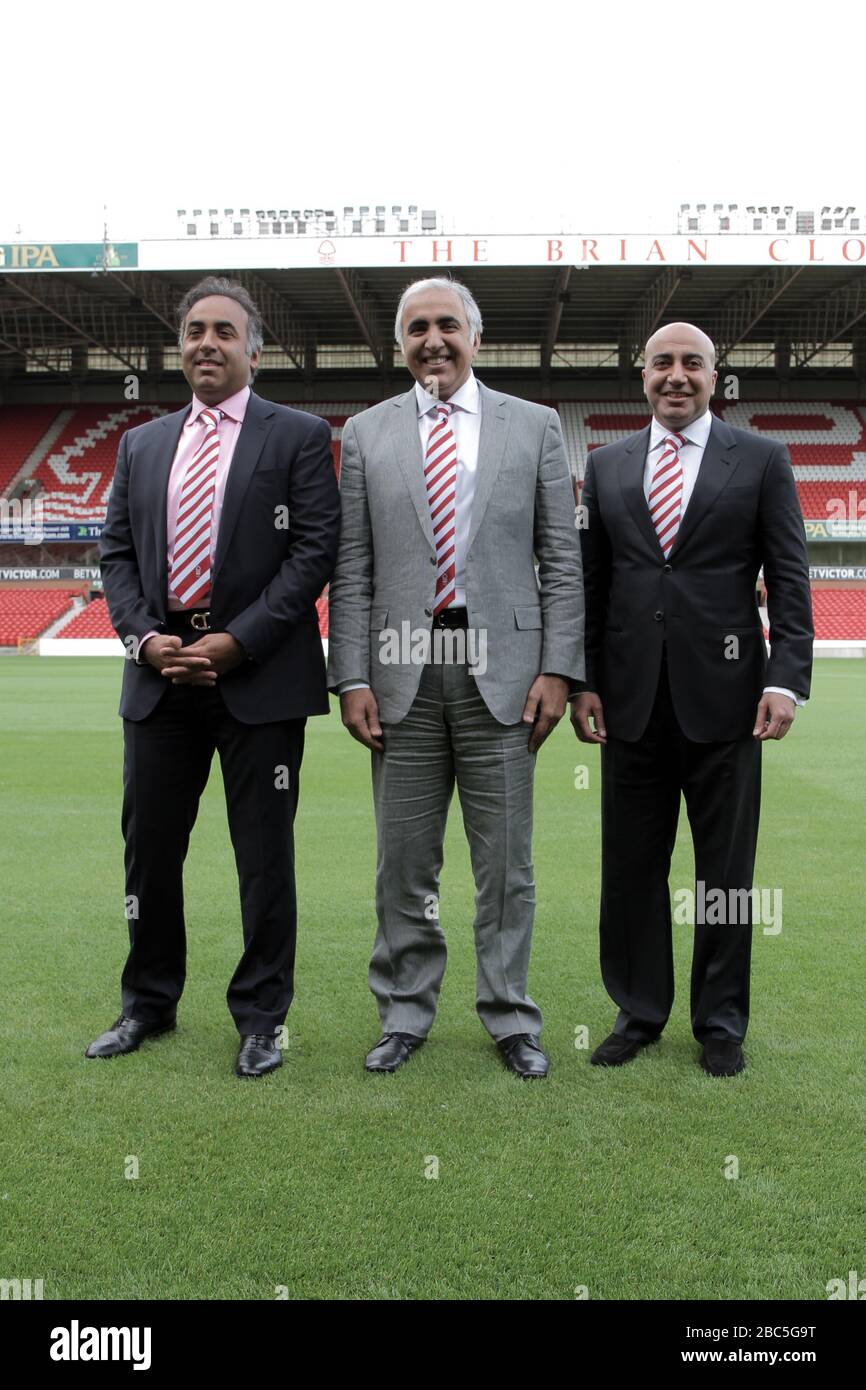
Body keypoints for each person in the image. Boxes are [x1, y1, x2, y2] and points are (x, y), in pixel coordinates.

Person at [328, 277, 584, 1078]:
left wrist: (558, 669)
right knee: (404, 865)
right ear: (400, 344)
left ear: (476, 336)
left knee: (506, 866)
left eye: (447, 325)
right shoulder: (366, 433)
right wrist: (350, 677)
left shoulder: (534, 426)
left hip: (503, 676)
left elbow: (562, 560)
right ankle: (405, 1013)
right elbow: (353, 566)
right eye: (416, 328)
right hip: (400, 674)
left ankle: (510, 1016)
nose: (432, 340)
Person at [87, 276, 340, 1078]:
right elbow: (116, 554)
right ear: (181, 347)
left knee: (263, 857)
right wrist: (144, 639)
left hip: (257, 678)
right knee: (150, 853)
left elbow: (314, 551)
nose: (206, 342)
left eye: (224, 332)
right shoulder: (143, 444)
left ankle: (262, 1019)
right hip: (160, 676)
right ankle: (147, 1003)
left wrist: (239, 640)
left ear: (253, 353)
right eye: (195, 330)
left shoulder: (297, 435)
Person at [572, 321, 813, 1077]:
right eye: (662, 363)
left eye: (692, 364)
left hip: (729, 701)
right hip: (630, 700)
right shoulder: (605, 465)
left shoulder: (763, 459)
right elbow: (592, 583)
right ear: (642, 374)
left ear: (715, 376)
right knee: (631, 869)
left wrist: (784, 678)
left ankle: (720, 1022)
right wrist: (584, 680)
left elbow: (790, 575)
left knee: (726, 873)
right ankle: (639, 1012)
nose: (676, 375)